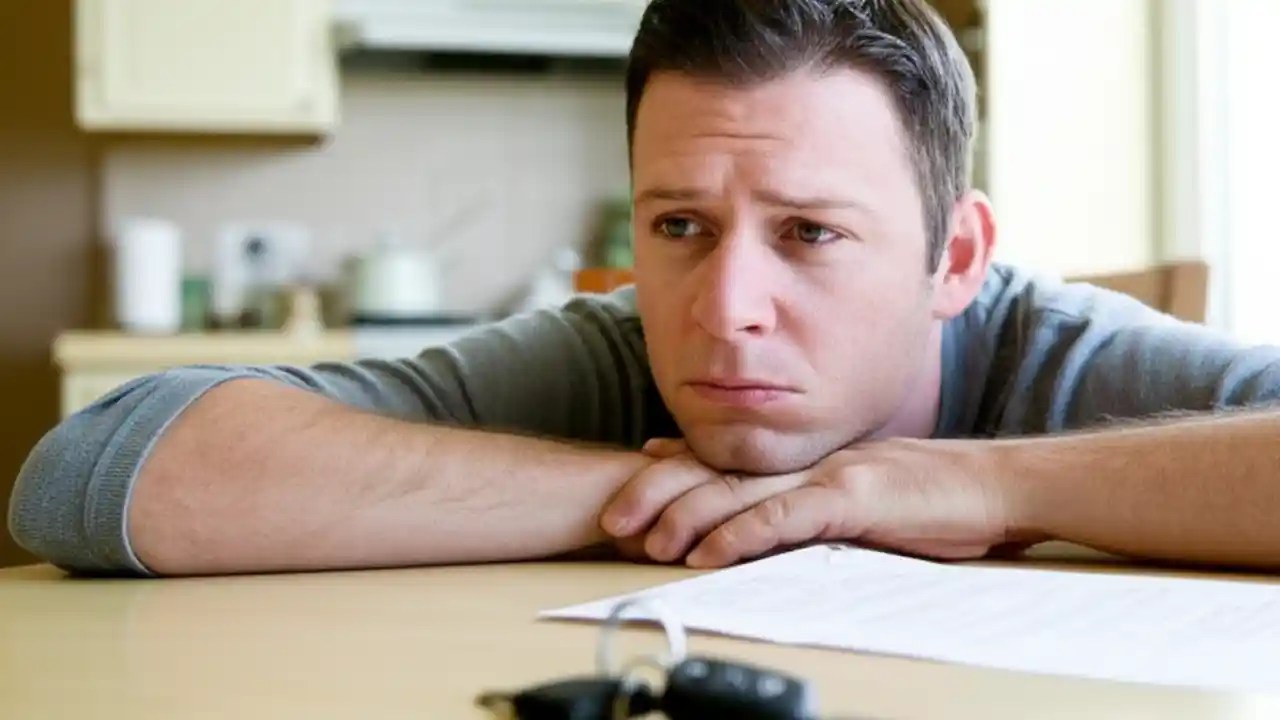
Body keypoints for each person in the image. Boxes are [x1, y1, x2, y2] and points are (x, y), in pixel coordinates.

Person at [10, 0, 1280, 578]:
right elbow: (88, 474)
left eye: (808, 233)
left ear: (952, 258)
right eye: (678, 223)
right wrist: (661, 499)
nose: (719, 307)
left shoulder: (1059, 357)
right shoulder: (609, 355)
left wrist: (974, 480)